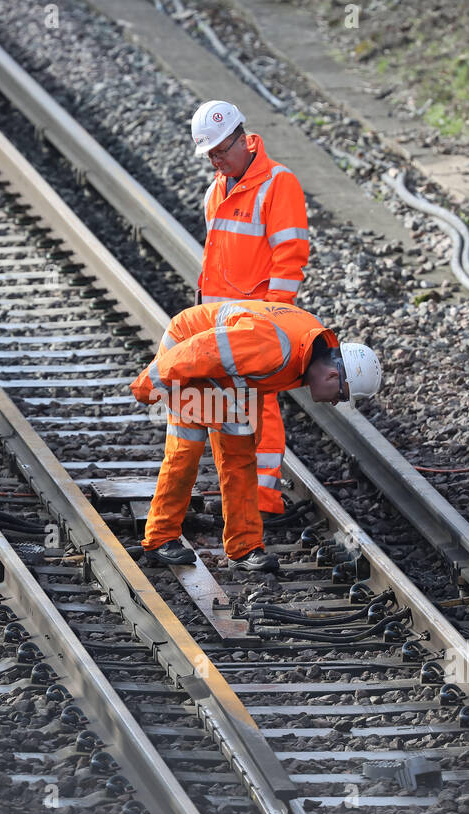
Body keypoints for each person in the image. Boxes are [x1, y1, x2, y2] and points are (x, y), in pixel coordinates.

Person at [130, 300, 381, 573]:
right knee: (185, 449)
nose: (335, 403)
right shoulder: (274, 348)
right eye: (341, 395)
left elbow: (231, 359)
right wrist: (150, 382)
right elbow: (201, 351)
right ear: (333, 374)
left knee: (240, 455)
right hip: (187, 351)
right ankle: (160, 538)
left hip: (231, 377)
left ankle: (244, 547)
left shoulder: (309, 351)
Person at [191, 99, 309, 516]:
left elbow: (290, 256)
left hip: (256, 323)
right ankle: (238, 501)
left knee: (260, 409)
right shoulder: (216, 190)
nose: (216, 162)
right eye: (210, 156)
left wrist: (274, 318)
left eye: (222, 152)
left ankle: (264, 502)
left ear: (243, 139)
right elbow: (213, 261)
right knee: (225, 412)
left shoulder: (279, 183)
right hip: (221, 325)